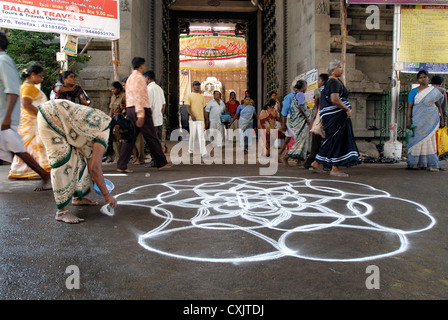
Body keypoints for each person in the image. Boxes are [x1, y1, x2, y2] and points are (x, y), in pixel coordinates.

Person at [37, 99, 117, 223]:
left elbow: (91, 164)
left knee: (79, 159)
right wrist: (107, 196)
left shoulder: (104, 121)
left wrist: (98, 181)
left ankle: (77, 197)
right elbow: (95, 168)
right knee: (62, 162)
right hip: (50, 117)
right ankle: (61, 212)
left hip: (58, 115)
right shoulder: (104, 131)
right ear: (117, 129)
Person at [0, 31, 51, 191]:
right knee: (19, 150)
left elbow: (13, 91)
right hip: (10, 118)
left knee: (20, 150)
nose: (41, 78)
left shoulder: (3, 60)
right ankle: (44, 175)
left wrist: (7, 117)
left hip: (6, 118)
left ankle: (45, 175)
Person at [116, 57, 172, 172]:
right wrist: (141, 114)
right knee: (152, 137)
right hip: (141, 110)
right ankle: (161, 162)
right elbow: (139, 96)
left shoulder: (130, 78)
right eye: (144, 65)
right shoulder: (140, 79)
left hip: (131, 109)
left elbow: (130, 96)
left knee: (130, 138)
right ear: (141, 66)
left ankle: (121, 165)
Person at [312, 59, 361, 177]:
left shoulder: (329, 83)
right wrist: (346, 109)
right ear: (333, 70)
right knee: (337, 139)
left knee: (331, 139)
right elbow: (334, 99)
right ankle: (334, 168)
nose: (342, 70)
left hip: (332, 117)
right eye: (340, 67)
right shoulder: (333, 82)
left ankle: (317, 162)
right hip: (336, 116)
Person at [8, 64, 52, 179]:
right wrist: (41, 115)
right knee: (33, 146)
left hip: (31, 122)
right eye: (40, 76)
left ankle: (23, 170)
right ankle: (36, 169)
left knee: (30, 147)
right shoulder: (29, 87)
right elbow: (26, 104)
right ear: (32, 75)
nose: (41, 79)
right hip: (32, 122)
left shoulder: (28, 86)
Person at [406, 70, 444, 171]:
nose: (423, 79)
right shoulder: (414, 91)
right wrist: (409, 120)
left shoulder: (433, 91)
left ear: (428, 79)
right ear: (418, 80)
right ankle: (414, 163)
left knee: (429, 140)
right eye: (421, 77)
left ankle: (429, 162)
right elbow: (410, 106)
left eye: (425, 77)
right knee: (416, 140)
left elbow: (439, 106)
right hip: (417, 120)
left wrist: (442, 119)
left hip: (431, 120)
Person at [304, 73, 329, 169]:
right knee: (326, 141)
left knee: (316, 142)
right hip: (327, 118)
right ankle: (325, 163)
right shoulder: (329, 90)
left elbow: (317, 97)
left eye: (318, 80)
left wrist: (317, 103)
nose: (317, 82)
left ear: (323, 81)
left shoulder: (319, 90)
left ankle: (311, 162)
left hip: (319, 117)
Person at [284, 80, 311, 165]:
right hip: (301, 121)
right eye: (305, 87)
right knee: (300, 141)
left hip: (297, 120)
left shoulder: (296, 95)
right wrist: (306, 117)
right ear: (303, 87)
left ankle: (300, 160)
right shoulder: (301, 95)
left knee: (300, 139)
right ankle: (287, 156)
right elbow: (300, 107)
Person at [144, 70, 167, 155]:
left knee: (152, 142)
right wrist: (160, 114)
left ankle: (156, 161)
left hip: (152, 120)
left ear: (148, 78)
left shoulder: (149, 89)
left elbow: (148, 107)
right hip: (159, 119)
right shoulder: (159, 88)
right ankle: (159, 159)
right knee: (157, 141)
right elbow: (164, 104)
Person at [278, 81, 300, 163]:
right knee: (297, 138)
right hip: (291, 119)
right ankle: (289, 156)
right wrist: (283, 124)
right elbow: (284, 111)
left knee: (288, 138)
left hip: (293, 119)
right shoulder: (290, 97)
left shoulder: (297, 96)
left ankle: (279, 154)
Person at [106, 81, 126, 163]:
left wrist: (123, 108)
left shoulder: (123, 96)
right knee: (112, 138)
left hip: (121, 118)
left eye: (114, 89)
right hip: (114, 119)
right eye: (112, 89)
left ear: (119, 89)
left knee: (119, 138)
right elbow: (111, 109)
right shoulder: (113, 97)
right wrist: (108, 119)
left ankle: (120, 157)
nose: (112, 90)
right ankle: (112, 155)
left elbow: (126, 108)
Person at [185, 81, 207, 157]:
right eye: (196, 85)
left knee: (201, 136)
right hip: (192, 119)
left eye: (198, 85)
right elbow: (187, 107)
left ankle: (203, 152)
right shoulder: (189, 96)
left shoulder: (202, 97)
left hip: (200, 119)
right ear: (193, 86)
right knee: (192, 135)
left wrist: (206, 119)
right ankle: (190, 151)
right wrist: (192, 115)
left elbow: (204, 108)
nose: (197, 86)